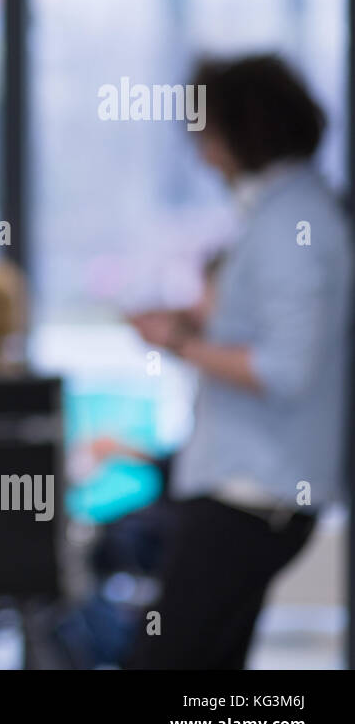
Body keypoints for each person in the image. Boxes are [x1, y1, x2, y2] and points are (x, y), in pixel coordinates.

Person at [124, 54, 352, 669]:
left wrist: (180, 345)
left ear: (243, 131)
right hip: (254, 491)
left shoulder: (294, 221)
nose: (202, 154)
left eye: (208, 135)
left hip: (252, 495)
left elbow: (285, 368)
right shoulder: (288, 213)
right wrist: (199, 329)